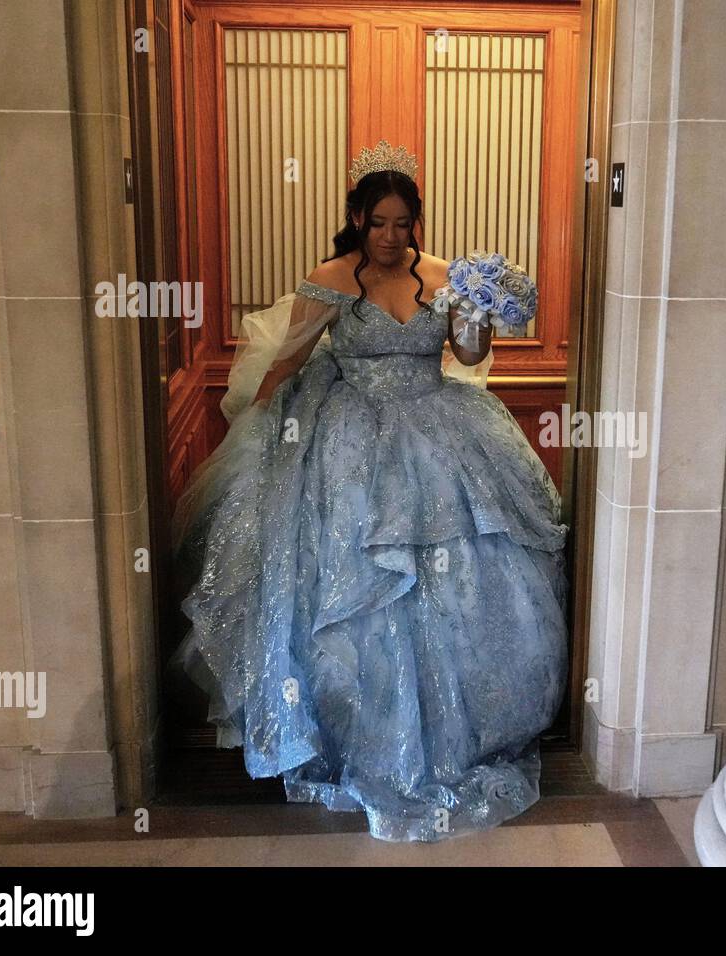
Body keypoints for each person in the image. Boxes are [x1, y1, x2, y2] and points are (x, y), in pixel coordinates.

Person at [168, 141, 569, 842]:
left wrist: (479, 310)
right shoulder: (332, 277)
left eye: (403, 222)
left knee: (461, 574)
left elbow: (469, 357)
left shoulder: (444, 276)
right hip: (350, 437)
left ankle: (457, 735)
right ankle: (359, 736)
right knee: (352, 586)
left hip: (439, 425)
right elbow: (290, 359)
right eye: (379, 221)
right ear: (356, 217)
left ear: (416, 221)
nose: (392, 235)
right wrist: (254, 437)